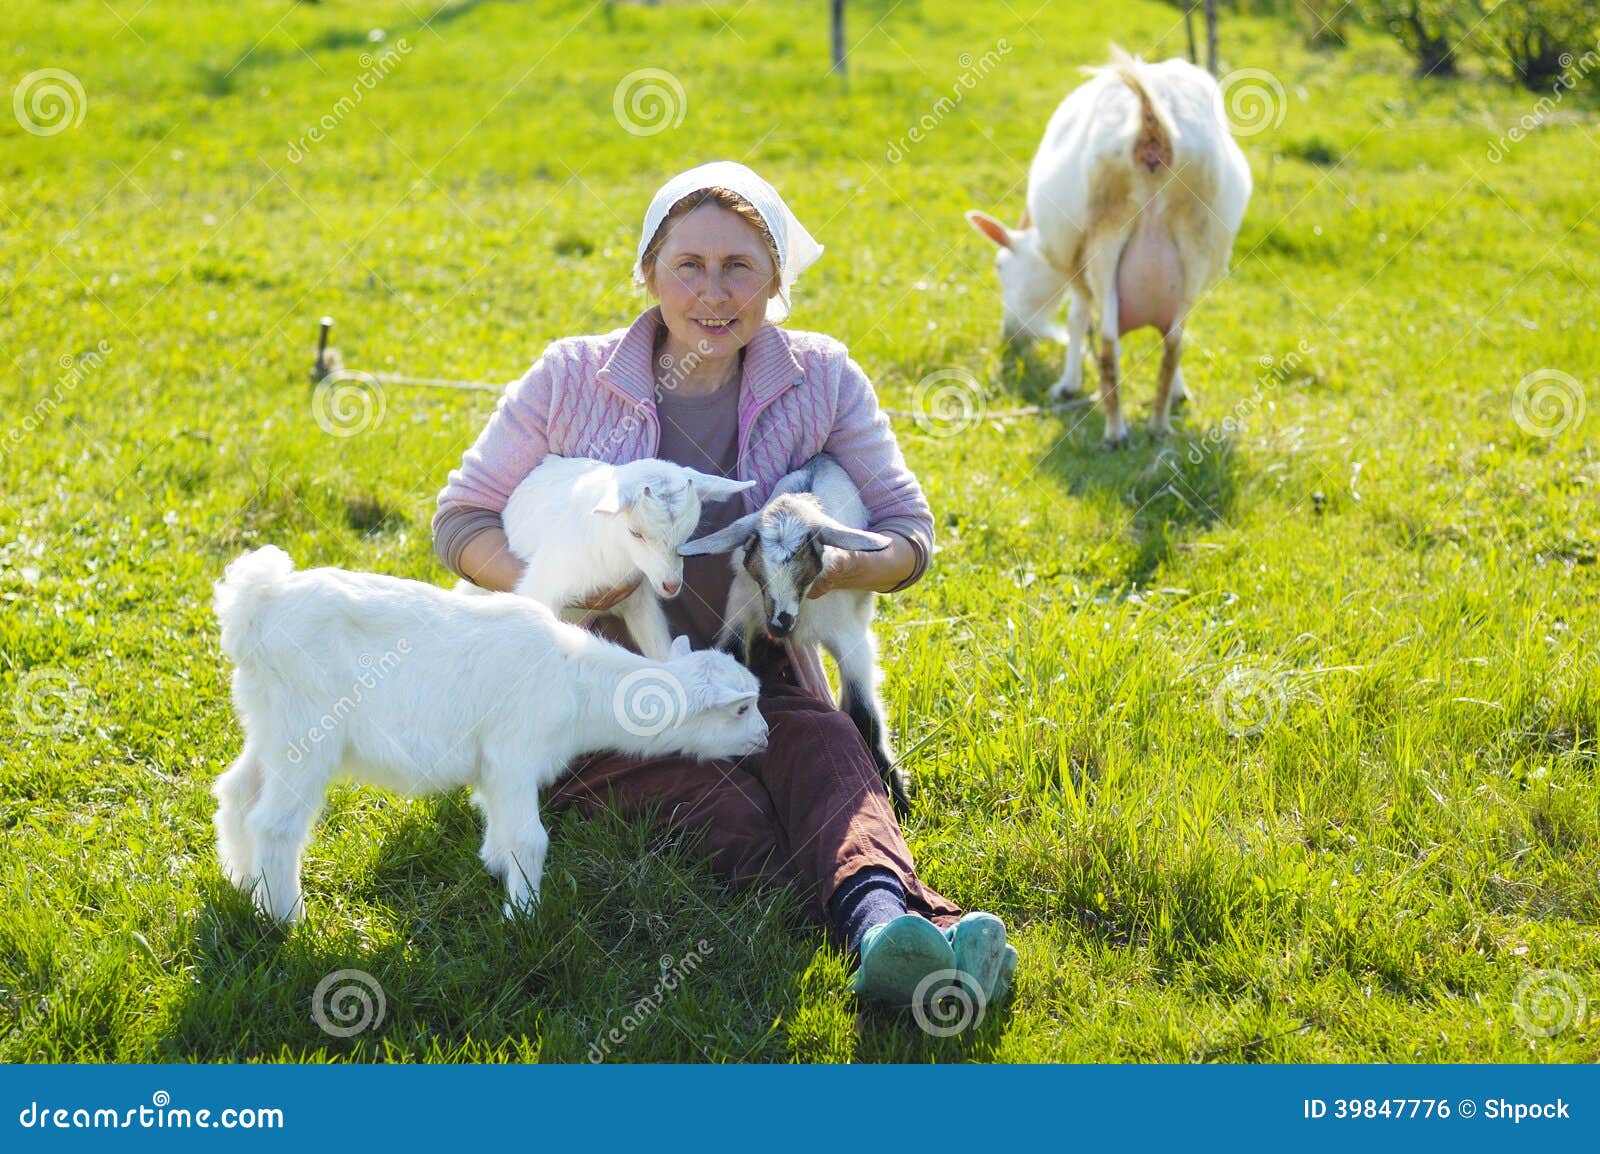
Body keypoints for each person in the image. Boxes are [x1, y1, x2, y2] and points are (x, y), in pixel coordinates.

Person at [432, 161, 1015, 1011]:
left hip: (747, 661)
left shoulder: (822, 378)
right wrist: (551, 588)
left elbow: (908, 534)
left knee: (824, 750)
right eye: (689, 266)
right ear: (647, 273)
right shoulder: (570, 377)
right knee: (731, 808)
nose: (714, 292)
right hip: (585, 681)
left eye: (740, 267)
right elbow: (461, 518)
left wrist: (835, 565)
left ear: (777, 279)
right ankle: (904, 925)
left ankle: (886, 931)